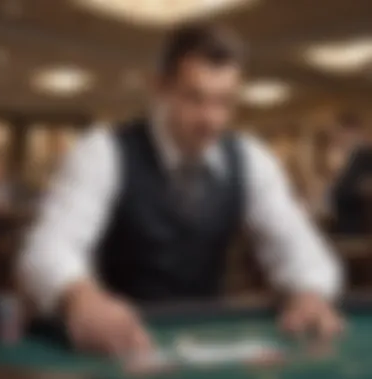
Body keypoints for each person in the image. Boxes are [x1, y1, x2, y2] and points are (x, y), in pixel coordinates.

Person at [18, 24, 343, 357]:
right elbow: (47, 249)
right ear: (160, 88)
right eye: (195, 98)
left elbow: (299, 246)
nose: (211, 119)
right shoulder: (104, 151)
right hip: (122, 344)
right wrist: (82, 298)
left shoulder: (251, 159)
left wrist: (310, 292)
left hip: (208, 341)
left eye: (224, 102)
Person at [330, 113, 372, 234]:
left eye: (343, 132)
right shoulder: (349, 158)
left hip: (360, 229)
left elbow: (365, 189)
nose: (339, 137)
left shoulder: (365, 156)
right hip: (347, 225)